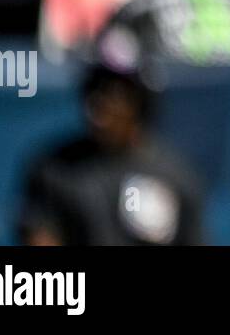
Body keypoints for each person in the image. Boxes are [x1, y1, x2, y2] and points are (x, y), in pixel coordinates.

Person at [17, 41, 206, 245]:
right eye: (93, 89)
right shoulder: (56, 169)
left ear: (140, 101)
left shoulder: (176, 177)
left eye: (112, 93)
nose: (98, 103)